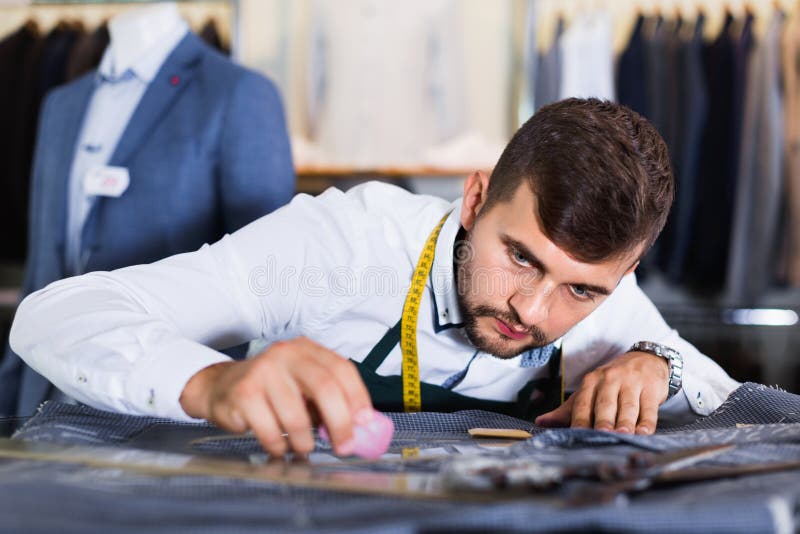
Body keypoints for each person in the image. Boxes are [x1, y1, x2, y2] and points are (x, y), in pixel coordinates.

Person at [10, 98, 738, 458]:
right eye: (519, 256)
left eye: (581, 291)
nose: (534, 308)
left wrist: (657, 363)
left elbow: (726, 397)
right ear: (475, 198)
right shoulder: (340, 245)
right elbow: (53, 315)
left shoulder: (603, 291)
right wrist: (210, 382)